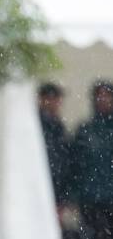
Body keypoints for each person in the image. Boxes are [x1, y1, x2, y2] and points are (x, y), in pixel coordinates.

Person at [70, 80, 113, 239]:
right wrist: (72, 196)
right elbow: (74, 164)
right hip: (90, 200)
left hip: (108, 200)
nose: (103, 100)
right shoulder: (86, 130)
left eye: (107, 96)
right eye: (100, 96)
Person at [37, 83, 72, 217]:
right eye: (49, 99)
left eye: (56, 99)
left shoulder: (58, 126)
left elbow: (64, 163)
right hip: (42, 187)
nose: (54, 103)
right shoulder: (40, 126)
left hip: (55, 190)